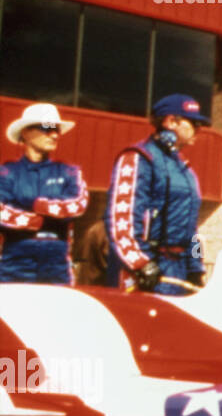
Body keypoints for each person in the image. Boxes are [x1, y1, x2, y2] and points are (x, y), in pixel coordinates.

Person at [105, 94, 207, 295]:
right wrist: (140, 263)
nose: (199, 129)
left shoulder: (186, 170)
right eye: (193, 123)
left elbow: (193, 230)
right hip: (147, 270)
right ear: (170, 122)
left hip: (180, 273)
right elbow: (121, 219)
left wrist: (196, 267)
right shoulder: (138, 157)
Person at [0, 103, 88, 284]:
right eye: (47, 128)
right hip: (14, 264)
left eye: (56, 129)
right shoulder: (7, 173)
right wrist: (33, 221)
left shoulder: (69, 172)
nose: (54, 135)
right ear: (25, 133)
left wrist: (35, 205)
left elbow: (78, 204)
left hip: (57, 264)